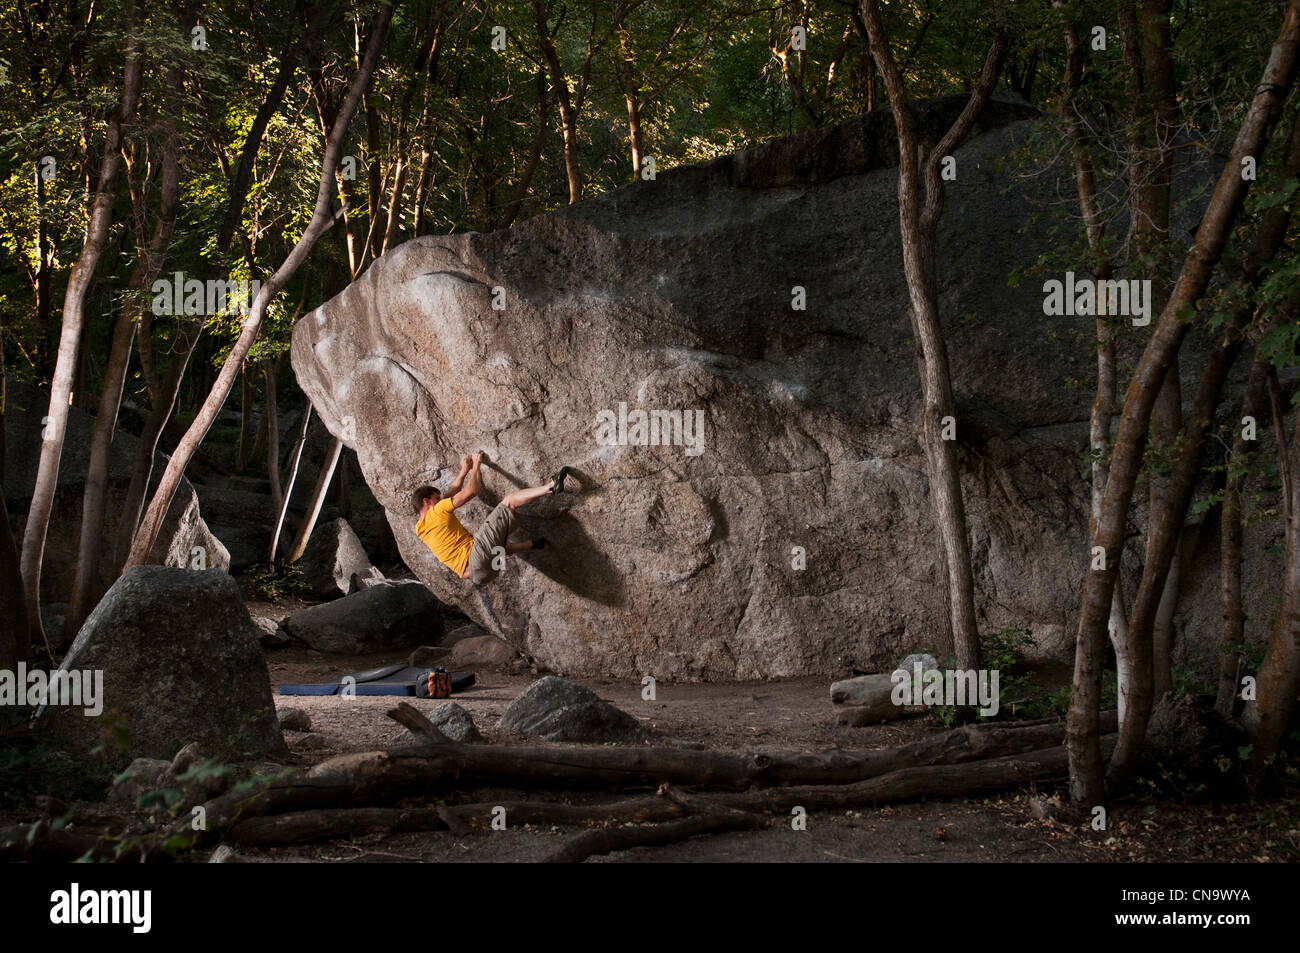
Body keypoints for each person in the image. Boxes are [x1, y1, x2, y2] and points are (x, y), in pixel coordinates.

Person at [412, 451, 570, 585]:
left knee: (497, 545)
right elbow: (472, 491)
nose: (440, 500)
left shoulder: (421, 530)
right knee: (508, 502)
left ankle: (532, 544)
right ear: (426, 502)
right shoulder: (437, 510)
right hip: (477, 558)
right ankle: (550, 487)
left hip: (482, 576)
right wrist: (476, 465)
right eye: (436, 499)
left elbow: (449, 497)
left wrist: (463, 472)